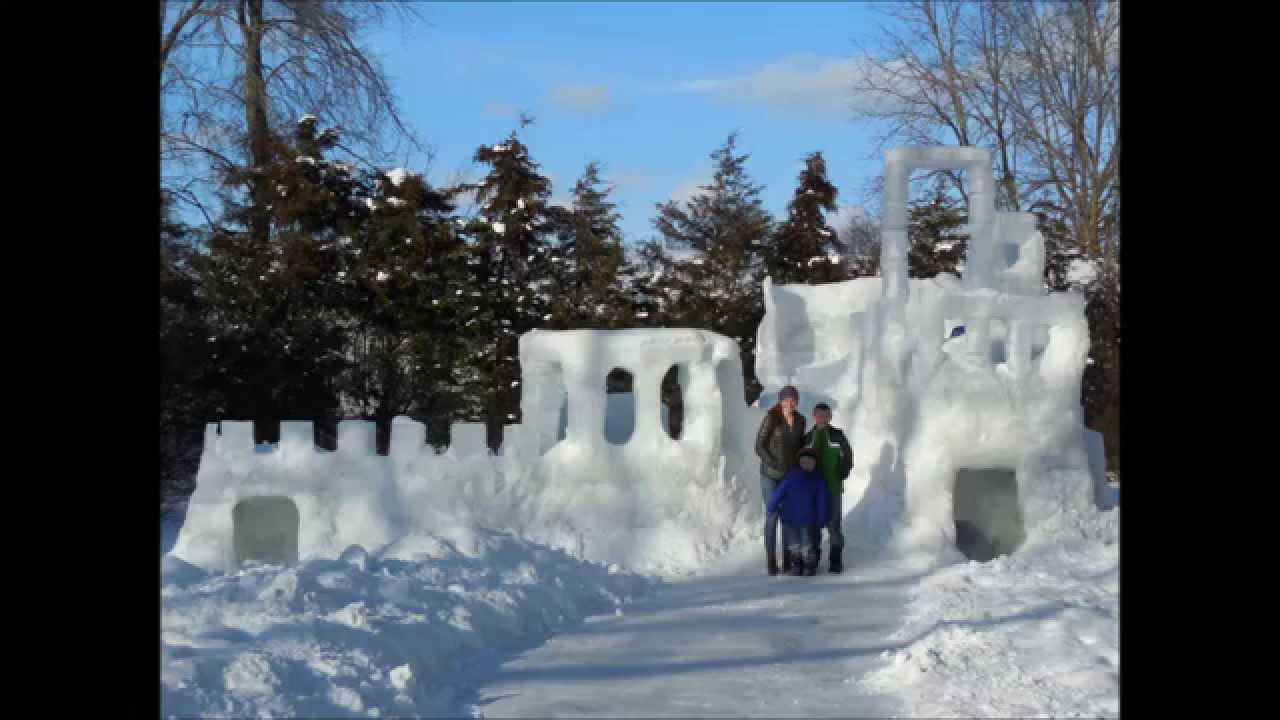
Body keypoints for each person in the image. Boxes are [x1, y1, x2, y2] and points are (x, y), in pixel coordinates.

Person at [754, 385, 806, 575]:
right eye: (785, 399)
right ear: (780, 401)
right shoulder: (771, 418)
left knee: (787, 517)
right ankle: (770, 560)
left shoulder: (801, 421)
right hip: (770, 475)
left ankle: (787, 560)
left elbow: (800, 447)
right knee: (772, 515)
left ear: (797, 401)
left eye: (793, 399)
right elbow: (759, 445)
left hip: (789, 476)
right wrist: (773, 462)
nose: (789, 403)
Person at [802, 403, 854, 574]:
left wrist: (841, 474)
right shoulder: (808, 438)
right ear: (814, 416)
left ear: (830, 417)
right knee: (814, 524)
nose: (822, 418)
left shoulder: (838, 436)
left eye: (826, 415)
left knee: (834, 525)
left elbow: (848, 456)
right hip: (813, 490)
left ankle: (836, 560)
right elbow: (801, 460)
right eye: (819, 415)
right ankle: (813, 559)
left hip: (832, 487)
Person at [766, 447, 829, 576]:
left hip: (808, 520)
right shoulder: (791, 476)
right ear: (799, 462)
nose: (806, 465)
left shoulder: (817, 480)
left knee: (807, 544)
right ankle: (797, 564)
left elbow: (822, 501)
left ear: (814, 464)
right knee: (794, 544)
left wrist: (821, 518)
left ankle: (809, 565)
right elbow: (780, 492)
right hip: (790, 519)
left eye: (810, 463)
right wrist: (772, 504)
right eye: (804, 462)